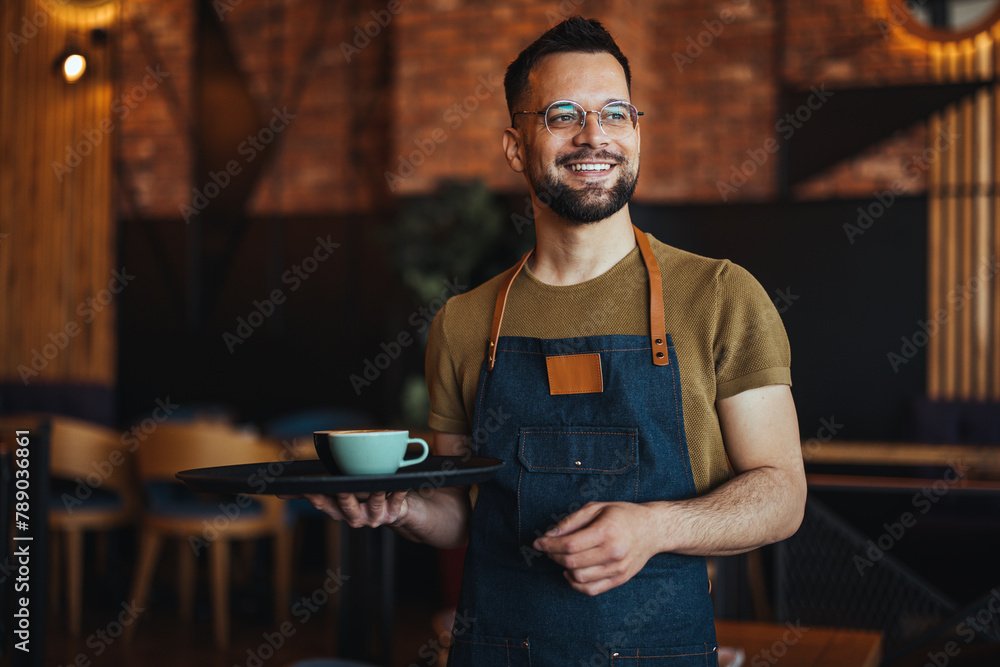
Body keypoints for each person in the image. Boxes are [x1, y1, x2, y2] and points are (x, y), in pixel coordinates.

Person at [306, 16, 806, 666]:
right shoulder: (462, 322)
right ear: (516, 147)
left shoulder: (721, 295)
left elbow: (782, 493)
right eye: (563, 114)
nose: (594, 134)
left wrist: (657, 526)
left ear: (635, 128)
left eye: (616, 112)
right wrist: (399, 506)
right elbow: (462, 514)